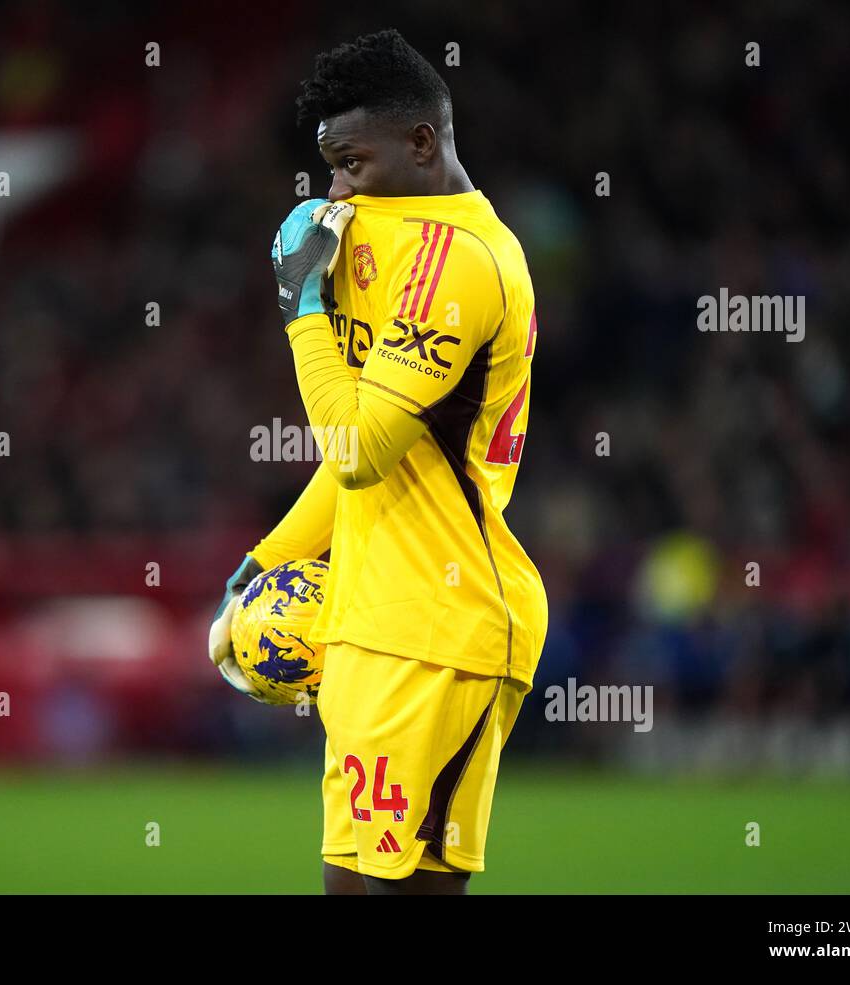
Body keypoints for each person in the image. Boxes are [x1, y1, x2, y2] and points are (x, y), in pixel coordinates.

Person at [210, 28, 547, 895]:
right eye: (330, 166)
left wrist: (300, 306)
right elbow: (363, 462)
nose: (338, 188)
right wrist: (263, 566)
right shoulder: (397, 250)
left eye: (352, 162)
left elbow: (356, 451)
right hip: (369, 623)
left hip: (442, 625)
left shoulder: (458, 264)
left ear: (423, 143)